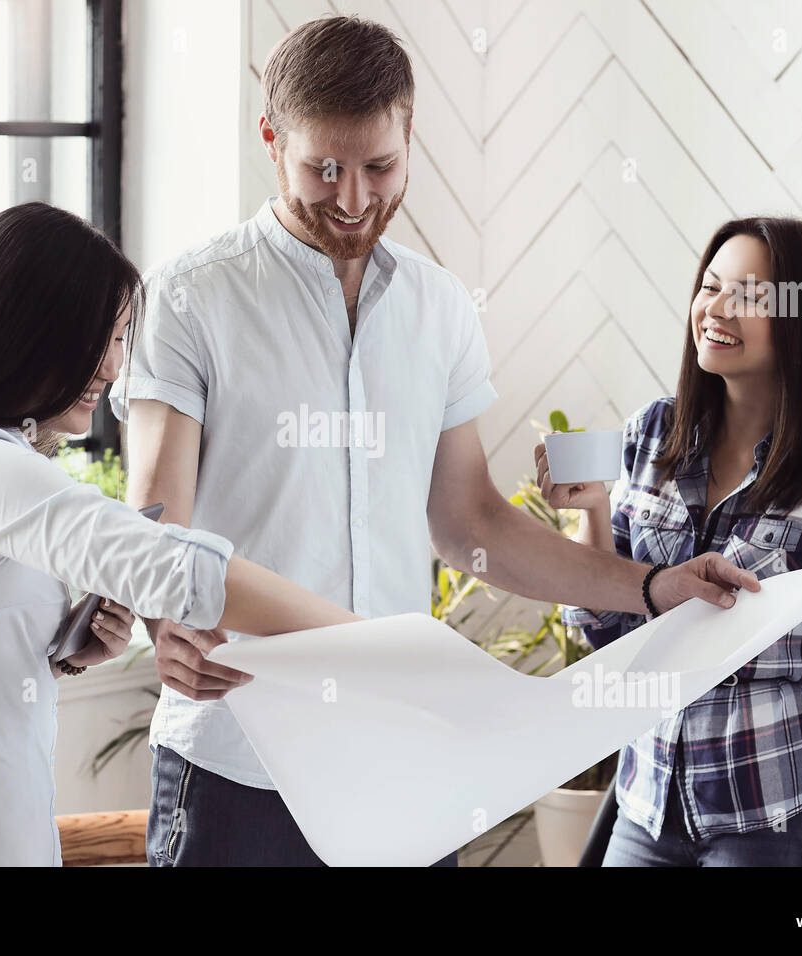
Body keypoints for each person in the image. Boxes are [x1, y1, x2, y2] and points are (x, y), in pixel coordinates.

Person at [115, 14, 759, 867]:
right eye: (323, 168)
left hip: (403, 766)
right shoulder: (193, 298)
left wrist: (651, 585)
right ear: (271, 139)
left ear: (410, 136)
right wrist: (162, 623)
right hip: (238, 760)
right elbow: (155, 521)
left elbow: (472, 528)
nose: (352, 200)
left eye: (379, 166)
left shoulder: (441, 306)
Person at [0, 202, 359, 866]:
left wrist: (64, 651)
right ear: (30, 333)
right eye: (101, 338)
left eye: (120, 337)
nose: (112, 368)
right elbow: (178, 568)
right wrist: (370, 645)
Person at [542, 217, 802, 867]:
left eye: (749, 296)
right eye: (710, 286)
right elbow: (604, 631)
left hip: (776, 804)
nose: (715, 308)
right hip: (650, 794)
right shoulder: (652, 431)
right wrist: (592, 512)